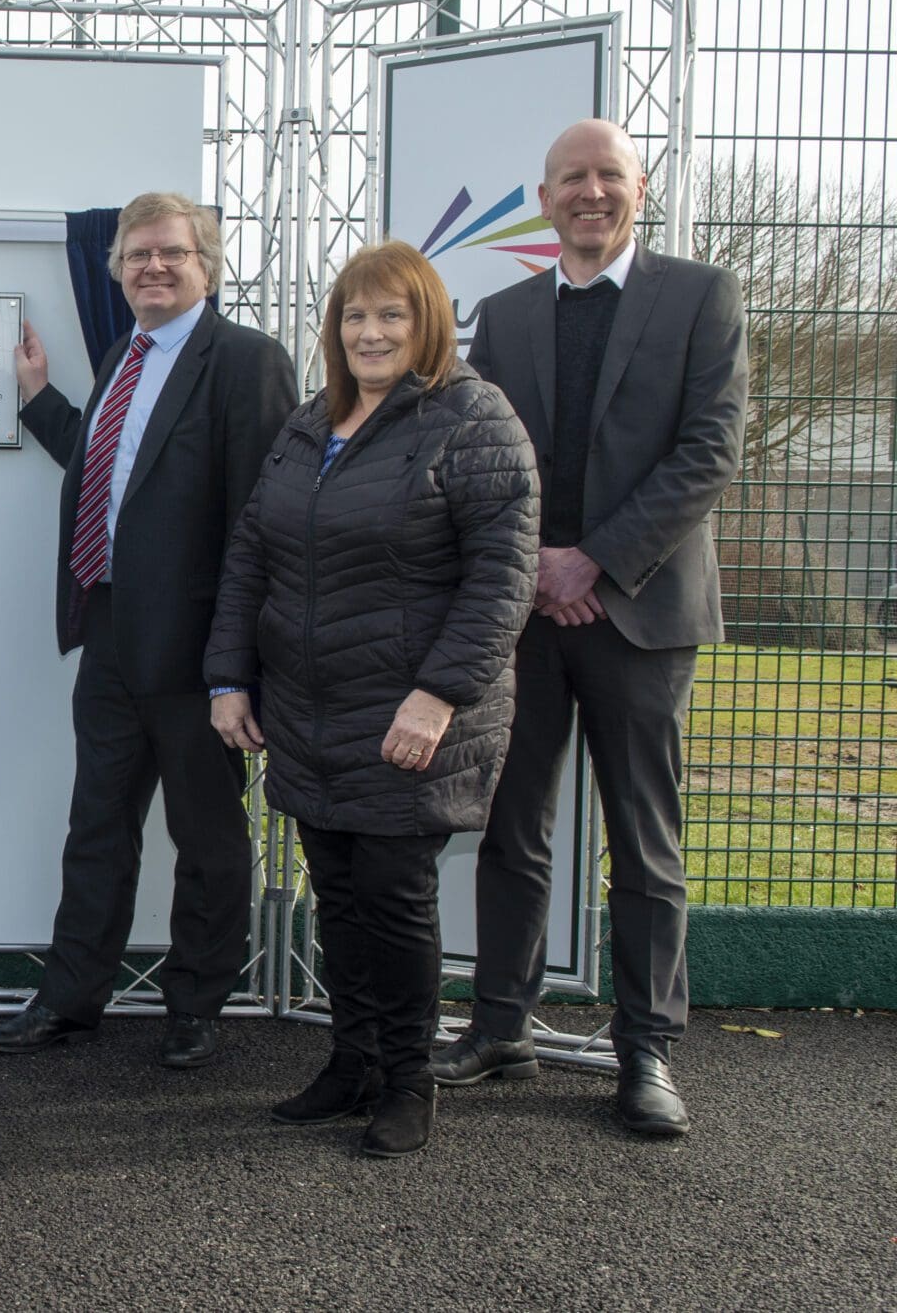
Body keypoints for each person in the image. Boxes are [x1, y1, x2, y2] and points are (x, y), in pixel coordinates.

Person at [436, 119, 749, 1136]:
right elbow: (480, 454)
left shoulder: (699, 297)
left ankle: (644, 1050)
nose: (588, 191)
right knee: (509, 831)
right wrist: (534, 566)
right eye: (569, 177)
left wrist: (595, 560)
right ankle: (497, 1028)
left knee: (641, 841)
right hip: (522, 612)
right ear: (542, 197)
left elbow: (707, 450)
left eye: (606, 174)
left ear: (637, 188)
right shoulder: (506, 312)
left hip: (638, 610)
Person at [206, 241, 539, 1157]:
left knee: (394, 898)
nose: (371, 331)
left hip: (412, 715)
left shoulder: (473, 418)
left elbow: (501, 579)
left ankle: (407, 1080)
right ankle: (349, 1062)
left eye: (392, 314)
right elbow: (250, 553)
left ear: (427, 320)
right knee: (340, 895)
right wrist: (230, 675)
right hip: (310, 710)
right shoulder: (313, 421)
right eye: (355, 315)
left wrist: (437, 697)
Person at [0, 192, 296, 1066]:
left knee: (207, 836)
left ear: (208, 264)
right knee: (97, 827)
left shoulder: (247, 362)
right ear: (116, 267)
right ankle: (72, 999)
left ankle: (196, 1005)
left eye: (172, 253)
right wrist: (42, 402)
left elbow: (259, 527)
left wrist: (234, 667)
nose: (153, 267)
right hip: (111, 632)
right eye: (137, 255)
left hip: (199, 653)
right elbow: (116, 464)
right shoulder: (125, 352)